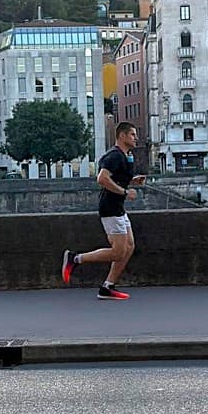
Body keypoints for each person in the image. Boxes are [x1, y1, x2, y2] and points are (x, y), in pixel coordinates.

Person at [61, 122, 146, 300]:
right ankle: (75, 258)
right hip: (110, 209)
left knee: (129, 247)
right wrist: (125, 192)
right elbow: (102, 179)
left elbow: (116, 179)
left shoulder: (125, 156)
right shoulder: (114, 156)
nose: (135, 138)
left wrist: (132, 182)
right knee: (118, 252)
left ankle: (107, 286)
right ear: (122, 136)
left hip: (118, 209)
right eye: (132, 135)